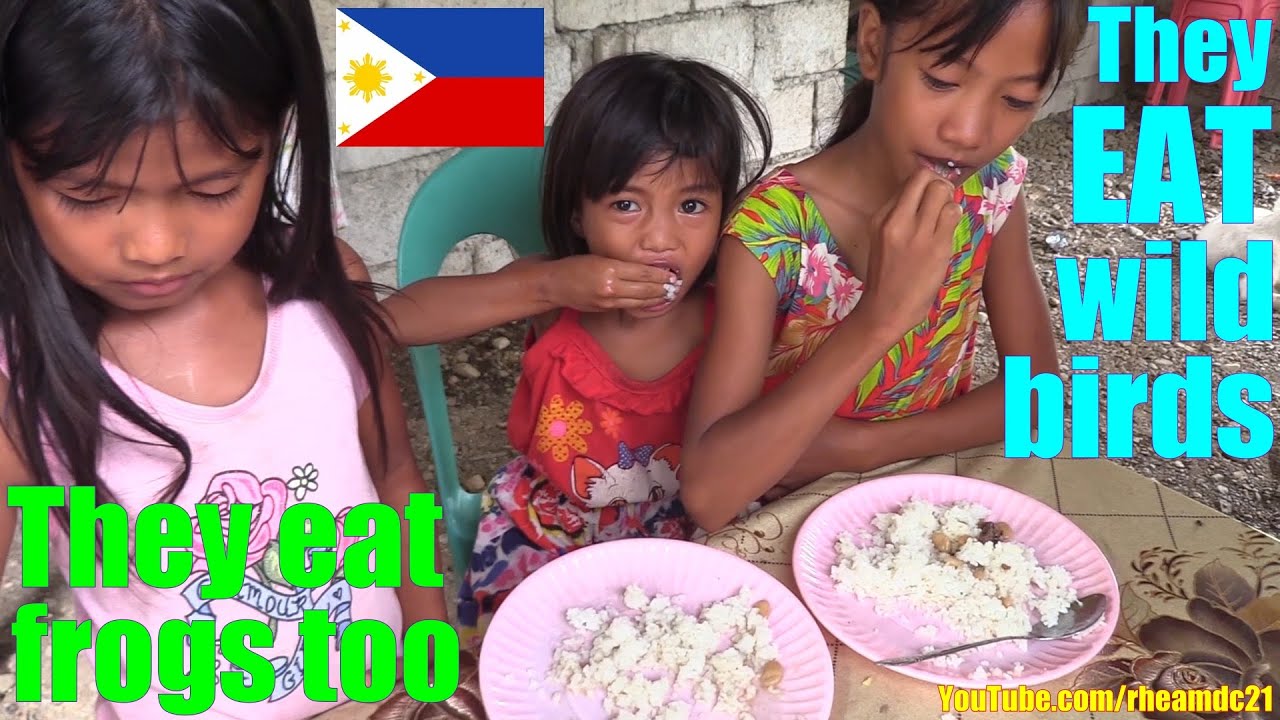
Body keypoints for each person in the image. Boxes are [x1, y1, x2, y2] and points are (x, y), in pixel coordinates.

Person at [0, 1, 446, 717]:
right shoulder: (18, 378)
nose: (154, 245)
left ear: (275, 139)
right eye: (87, 195)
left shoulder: (325, 296)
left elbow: (394, 476)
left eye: (211, 189)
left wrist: (431, 643)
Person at [379, 52, 771, 651]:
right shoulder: (551, 294)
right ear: (576, 214)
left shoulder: (730, 310)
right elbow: (394, 322)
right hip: (551, 532)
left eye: (691, 205)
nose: (659, 239)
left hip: (685, 532)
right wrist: (544, 283)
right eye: (626, 205)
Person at [680, 0, 1087, 532]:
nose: (968, 131)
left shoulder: (989, 191)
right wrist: (881, 318)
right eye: (942, 80)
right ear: (874, 44)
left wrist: (861, 447)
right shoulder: (772, 232)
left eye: (1016, 99)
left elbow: (1035, 399)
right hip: (786, 522)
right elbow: (709, 495)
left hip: (929, 511)